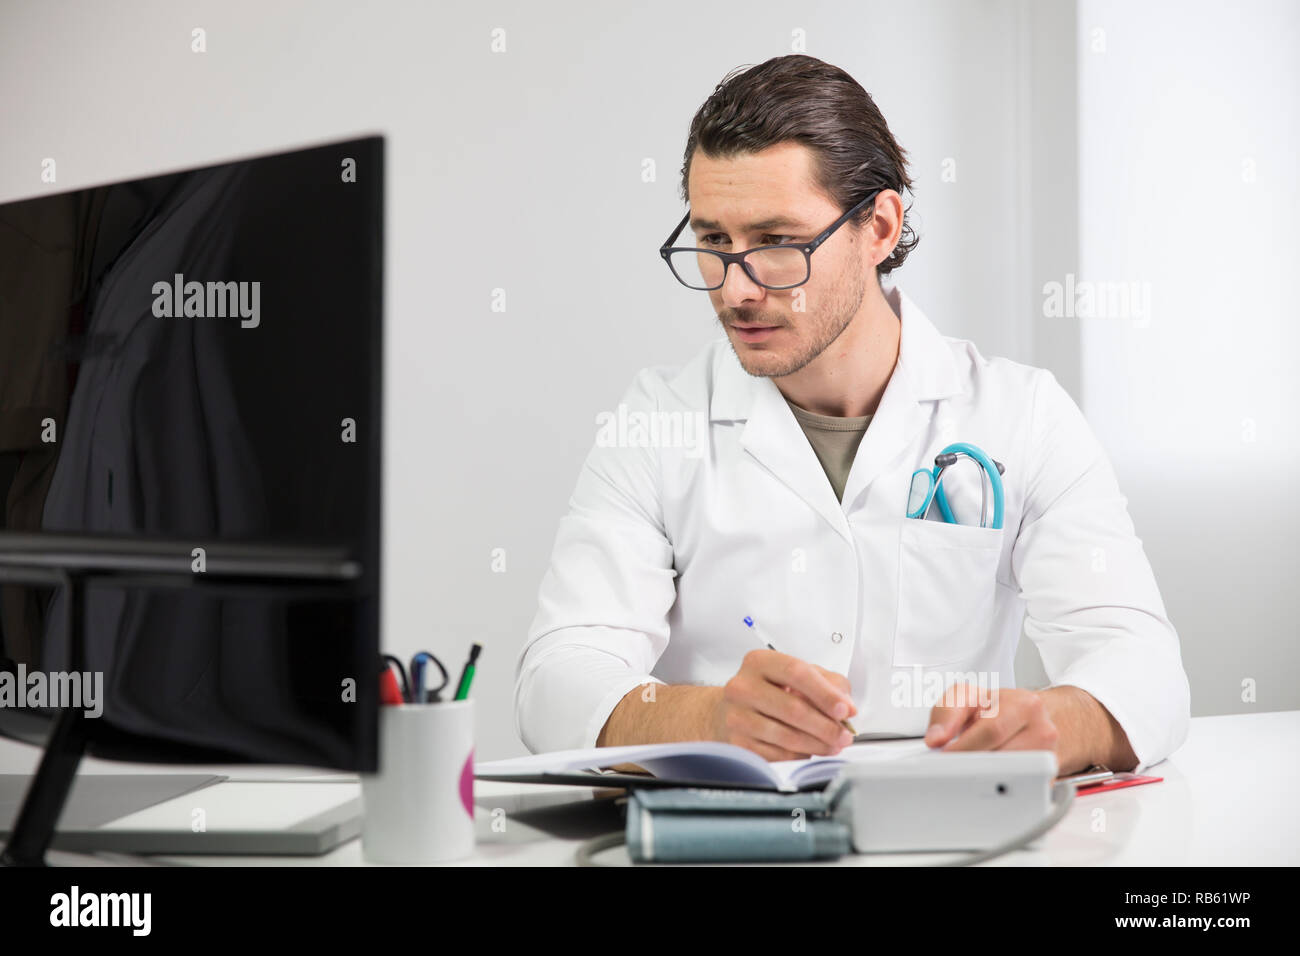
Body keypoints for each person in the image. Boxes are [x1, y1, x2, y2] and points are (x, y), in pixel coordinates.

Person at [514, 54, 1189, 775]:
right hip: (732, 838)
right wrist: (705, 719)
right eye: (714, 242)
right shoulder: (659, 422)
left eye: (776, 242)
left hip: (948, 832)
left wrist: (1054, 726)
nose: (736, 290)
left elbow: (1144, 670)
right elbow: (555, 680)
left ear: (880, 226)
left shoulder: (1022, 416)